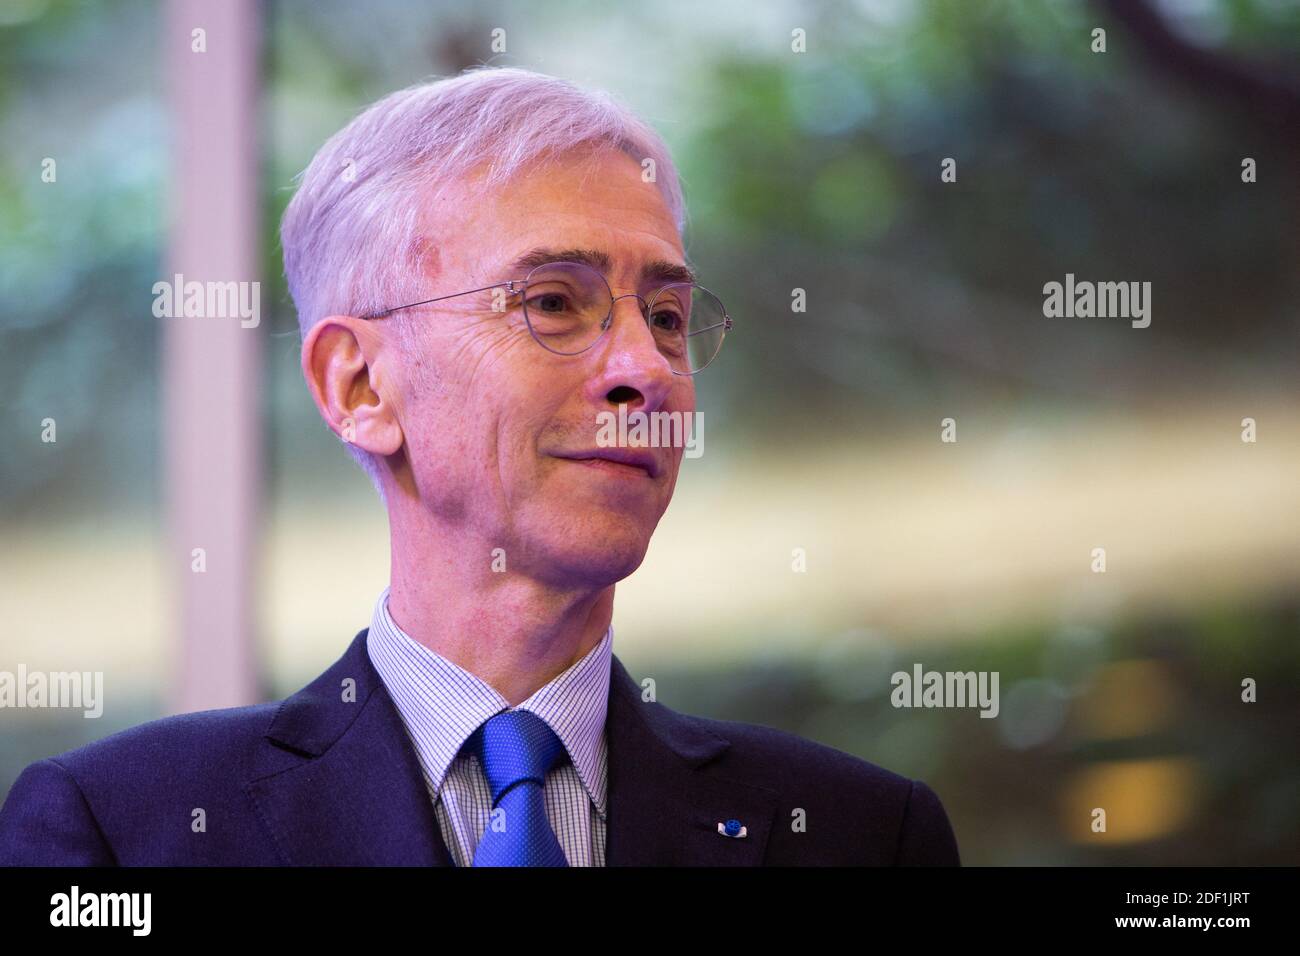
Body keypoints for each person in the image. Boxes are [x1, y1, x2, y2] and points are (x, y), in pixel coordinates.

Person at [0, 67, 959, 866]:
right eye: (552, 302)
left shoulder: (863, 836)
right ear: (359, 385)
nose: (644, 371)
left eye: (666, 316)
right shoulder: (120, 832)